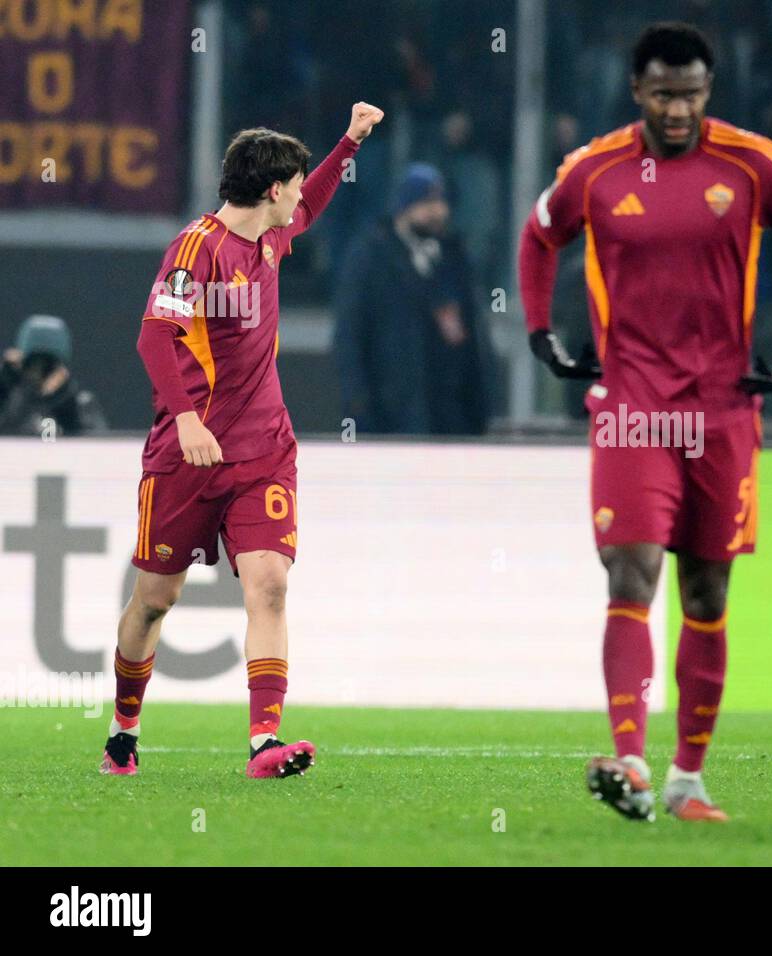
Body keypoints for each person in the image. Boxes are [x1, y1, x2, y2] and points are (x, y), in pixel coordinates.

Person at [518, 22, 772, 822]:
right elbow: (539, 235)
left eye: (692, 94)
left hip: (723, 412)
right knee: (630, 573)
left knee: (706, 592)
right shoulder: (592, 170)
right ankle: (630, 761)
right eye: (664, 94)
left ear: (709, 90)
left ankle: (686, 779)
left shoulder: (753, 162)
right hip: (631, 407)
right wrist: (539, 330)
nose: (679, 109)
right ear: (638, 91)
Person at [101, 102, 385, 779]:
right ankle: (123, 730)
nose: (301, 193)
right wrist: (189, 419)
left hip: (264, 452)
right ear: (269, 190)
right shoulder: (196, 249)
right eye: (293, 181)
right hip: (187, 455)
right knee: (154, 601)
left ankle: (263, 744)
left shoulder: (273, 238)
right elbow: (153, 337)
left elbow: (314, 203)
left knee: (270, 585)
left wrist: (349, 141)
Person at [334, 163, 490, 435]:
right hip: (389, 411)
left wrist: (480, 407)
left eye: (441, 202)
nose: (438, 211)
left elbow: (473, 337)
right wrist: (357, 401)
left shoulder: (454, 257)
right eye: (427, 203)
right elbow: (350, 331)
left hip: (448, 414)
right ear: (404, 208)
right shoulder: (370, 256)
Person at [0, 314, 107, 436]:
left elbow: (94, 448)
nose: (38, 372)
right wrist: (5, 386)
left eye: (48, 366)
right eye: (32, 364)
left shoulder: (80, 406)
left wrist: (63, 401)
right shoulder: (7, 397)